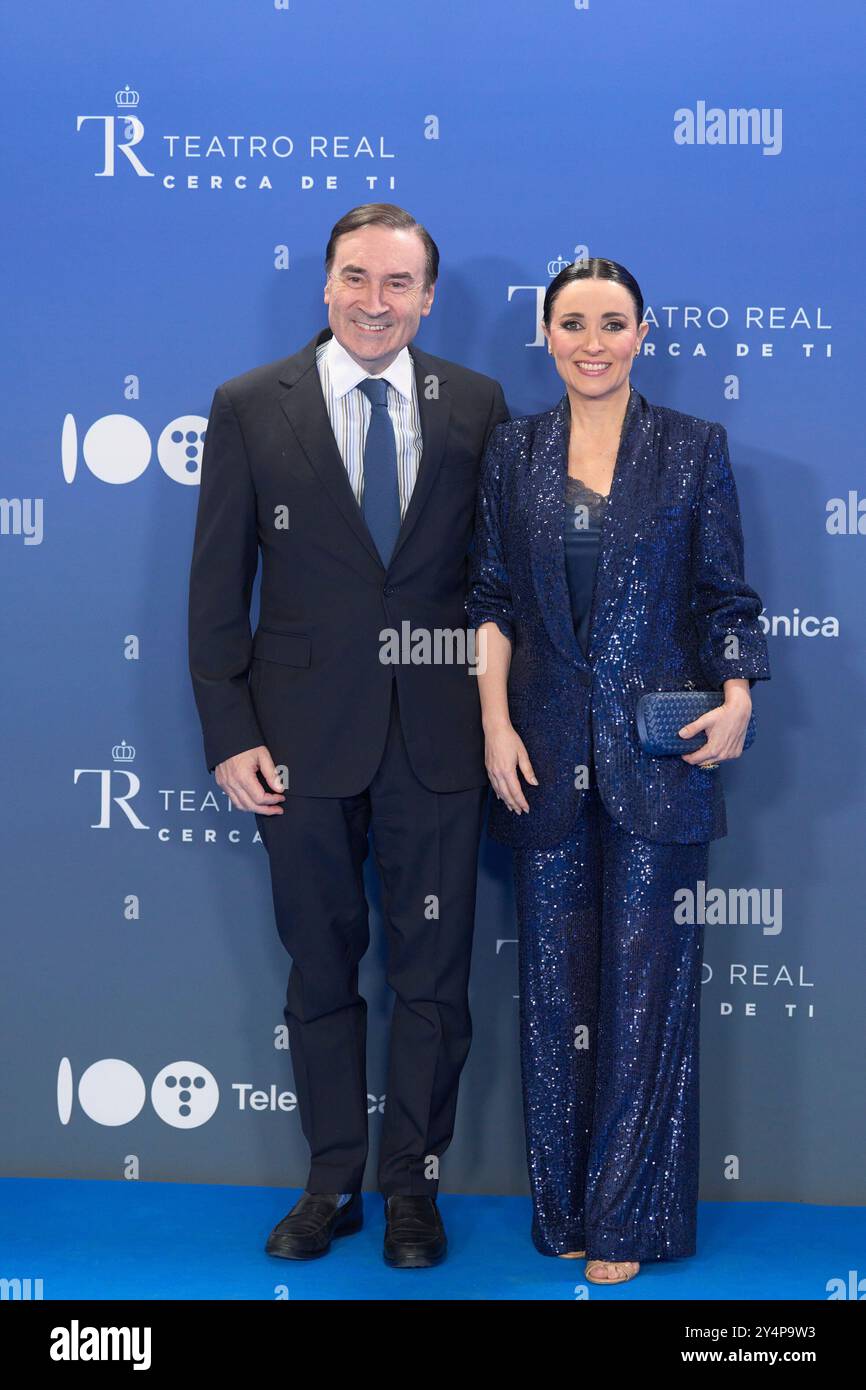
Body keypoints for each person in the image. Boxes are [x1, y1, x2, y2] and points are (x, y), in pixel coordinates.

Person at [188, 203, 509, 1268]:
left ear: (427, 296)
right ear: (324, 284)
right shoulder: (248, 405)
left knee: (432, 978)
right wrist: (228, 730)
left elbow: (490, 582)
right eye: (357, 278)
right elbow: (216, 586)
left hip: (437, 740)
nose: (376, 302)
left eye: (399, 284)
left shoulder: (475, 403)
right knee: (319, 973)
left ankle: (412, 1190)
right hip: (297, 746)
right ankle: (329, 1183)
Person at [466, 257, 770, 1286]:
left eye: (610, 323)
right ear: (545, 336)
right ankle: (561, 1209)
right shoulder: (511, 451)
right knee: (554, 993)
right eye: (570, 323)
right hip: (541, 757)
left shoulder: (691, 450)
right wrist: (493, 724)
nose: (590, 342)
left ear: (642, 333)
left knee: (643, 994)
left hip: (658, 757)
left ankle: (626, 1219)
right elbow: (492, 600)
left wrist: (736, 699)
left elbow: (726, 595)